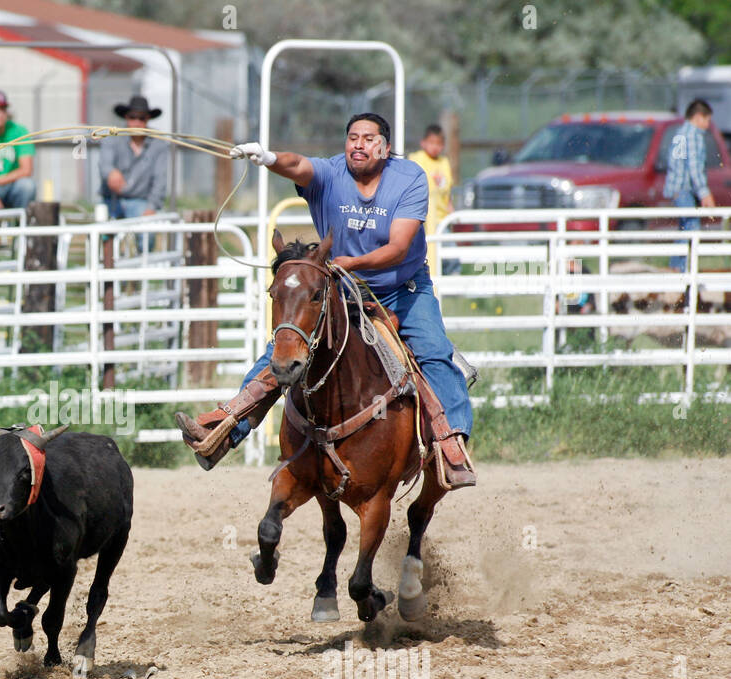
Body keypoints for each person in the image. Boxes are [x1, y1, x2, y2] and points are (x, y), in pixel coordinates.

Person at [176, 112, 477, 489]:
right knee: (287, 347)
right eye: (353, 137)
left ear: (385, 147)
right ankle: (225, 429)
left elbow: (399, 247)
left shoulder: (409, 178)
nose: (359, 144)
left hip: (403, 290)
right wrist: (267, 158)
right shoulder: (331, 174)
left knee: (433, 353)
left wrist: (352, 262)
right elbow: (298, 165)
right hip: (342, 285)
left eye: (368, 138)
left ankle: (451, 448)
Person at [98, 94, 169, 223]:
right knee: (103, 231)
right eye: (132, 117)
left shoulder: (159, 144)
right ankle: (105, 242)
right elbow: (104, 164)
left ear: (148, 119)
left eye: (141, 118)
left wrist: (151, 207)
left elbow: (160, 180)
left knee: (148, 232)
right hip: (112, 199)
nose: (136, 122)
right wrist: (111, 173)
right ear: (126, 117)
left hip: (141, 201)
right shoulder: (112, 137)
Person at [664, 98, 716, 272]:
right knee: (692, 226)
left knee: (685, 227)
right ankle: (682, 269)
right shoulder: (693, 135)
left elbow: (675, 163)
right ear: (699, 117)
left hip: (677, 188)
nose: (708, 125)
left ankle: (676, 267)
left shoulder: (680, 133)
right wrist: (704, 193)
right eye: (707, 120)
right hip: (685, 189)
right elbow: (694, 167)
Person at [407, 123, 454, 276]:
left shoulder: (444, 162)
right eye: (432, 142)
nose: (435, 147)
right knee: (424, 254)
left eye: (439, 144)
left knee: (450, 254)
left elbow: (447, 191)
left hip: (441, 218)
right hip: (422, 219)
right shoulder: (416, 159)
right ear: (424, 142)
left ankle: (453, 284)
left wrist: (450, 210)